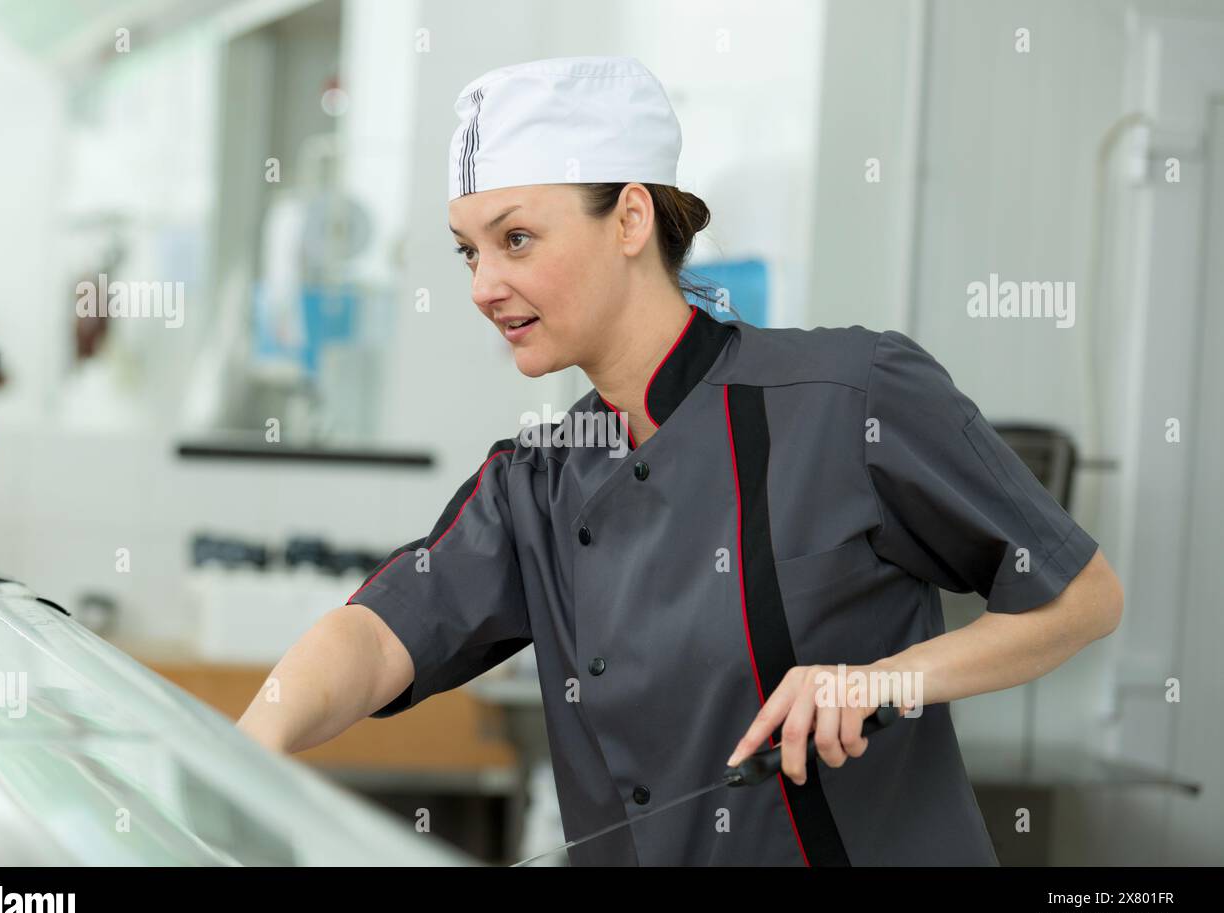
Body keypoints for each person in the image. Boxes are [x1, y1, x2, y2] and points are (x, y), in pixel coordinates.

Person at [238, 55, 1124, 866]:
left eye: (516, 240)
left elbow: (1082, 597)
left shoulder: (852, 396)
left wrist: (883, 679)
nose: (482, 286)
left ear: (629, 217)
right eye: (468, 251)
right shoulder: (538, 481)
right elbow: (376, 633)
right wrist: (245, 753)